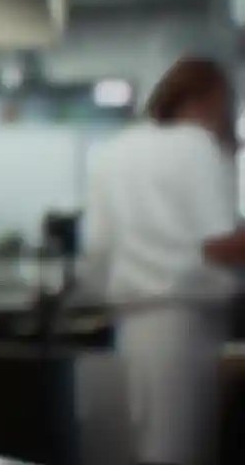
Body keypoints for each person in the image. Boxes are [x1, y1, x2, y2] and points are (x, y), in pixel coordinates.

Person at [84, 56, 245, 465]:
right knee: (181, 447)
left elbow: (97, 247)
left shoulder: (115, 149)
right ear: (211, 98)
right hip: (187, 318)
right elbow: (220, 244)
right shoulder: (196, 145)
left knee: (143, 441)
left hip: (130, 319)